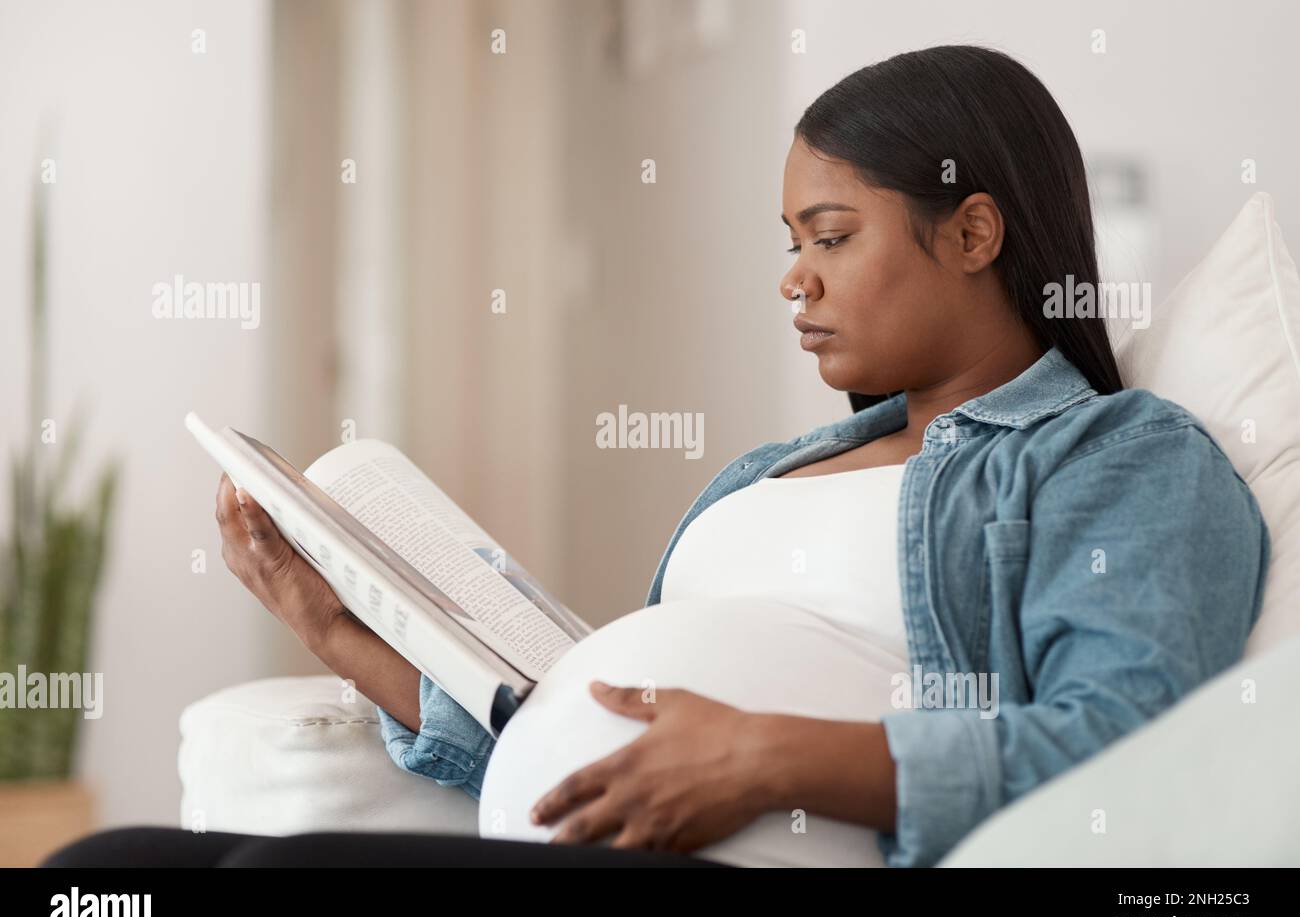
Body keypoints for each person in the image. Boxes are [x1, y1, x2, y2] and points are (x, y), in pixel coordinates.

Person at [45, 44, 1269, 869]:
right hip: (585, 840)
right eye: (789, 240)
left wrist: (765, 756)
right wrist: (340, 632)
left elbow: (1130, 746)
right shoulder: (773, 471)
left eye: (831, 236)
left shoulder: (1117, 456)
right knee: (109, 872)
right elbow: (601, 734)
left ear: (973, 231)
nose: (792, 278)